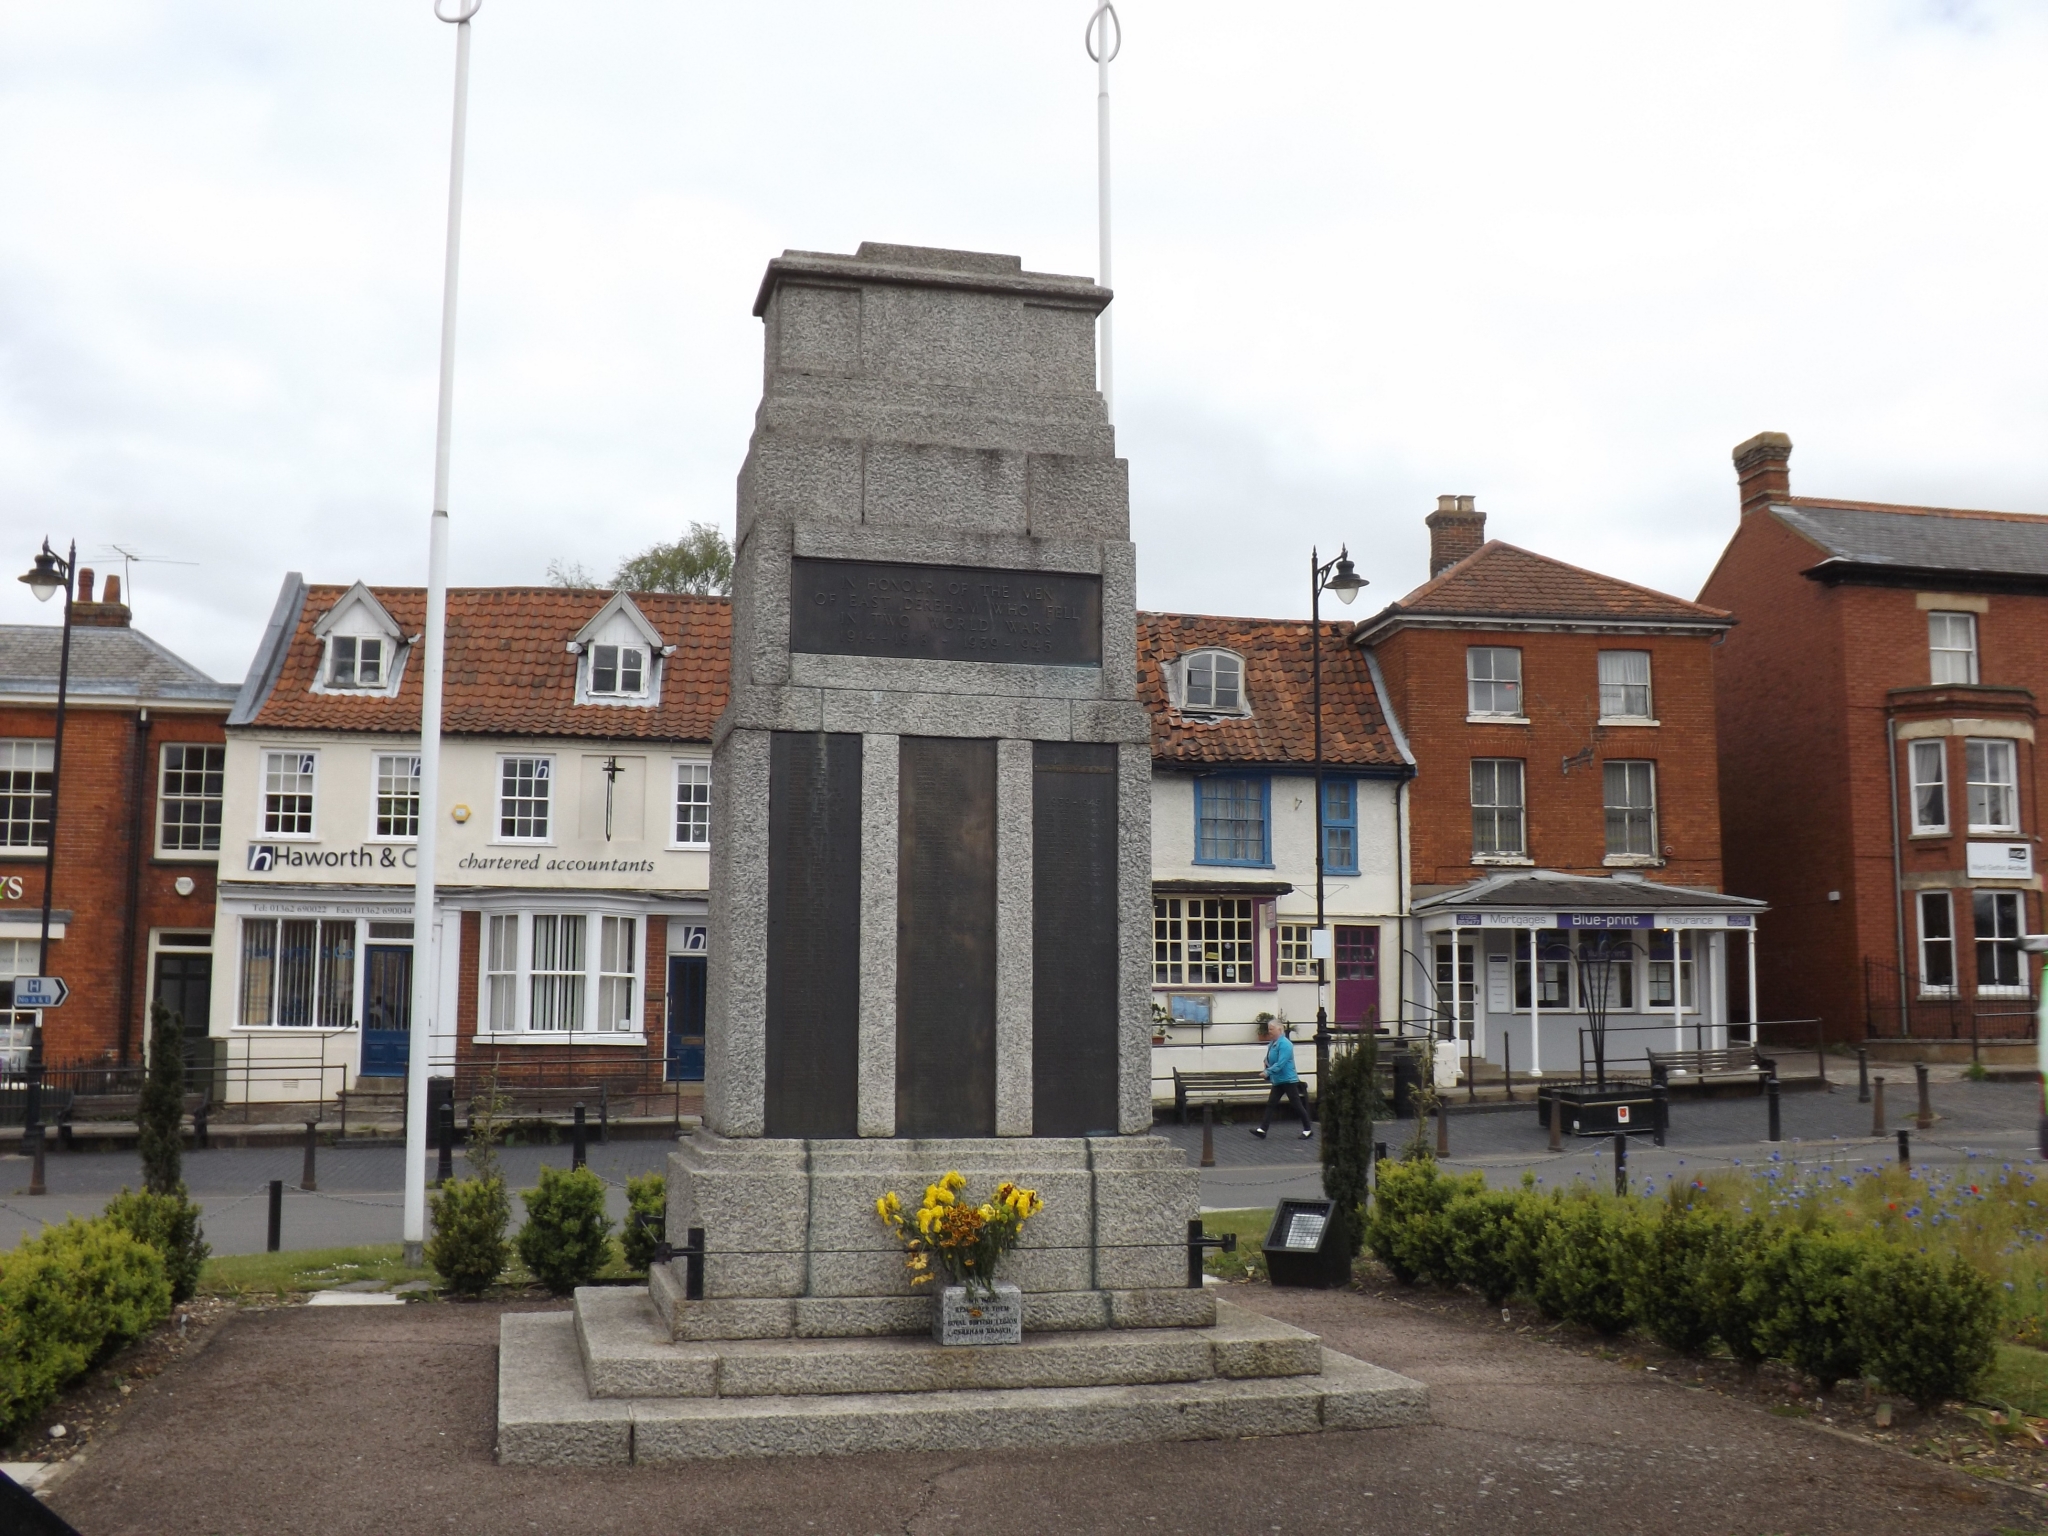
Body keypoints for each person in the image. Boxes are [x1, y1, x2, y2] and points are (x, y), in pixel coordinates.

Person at [1252, 1021, 1313, 1139]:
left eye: (1271, 1029)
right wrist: (1266, 1063)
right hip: (1278, 1080)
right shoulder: (1272, 1044)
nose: (1269, 1031)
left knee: (1296, 1105)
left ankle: (1308, 1129)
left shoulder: (1285, 1044)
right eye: (1269, 1029)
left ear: (1280, 1030)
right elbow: (1269, 1058)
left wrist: (1267, 1072)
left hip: (1288, 1080)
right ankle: (1262, 1130)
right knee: (1271, 1104)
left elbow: (1281, 1063)